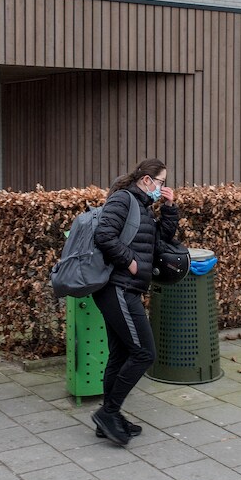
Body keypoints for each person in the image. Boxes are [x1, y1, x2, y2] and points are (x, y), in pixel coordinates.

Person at [90, 158, 180, 445]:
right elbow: (103, 234)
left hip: (126, 288)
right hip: (117, 287)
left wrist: (169, 209)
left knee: (119, 355)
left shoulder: (141, 206)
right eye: (161, 182)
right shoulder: (123, 199)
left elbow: (157, 241)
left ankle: (109, 418)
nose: (162, 187)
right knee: (144, 353)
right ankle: (108, 413)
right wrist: (128, 262)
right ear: (146, 180)